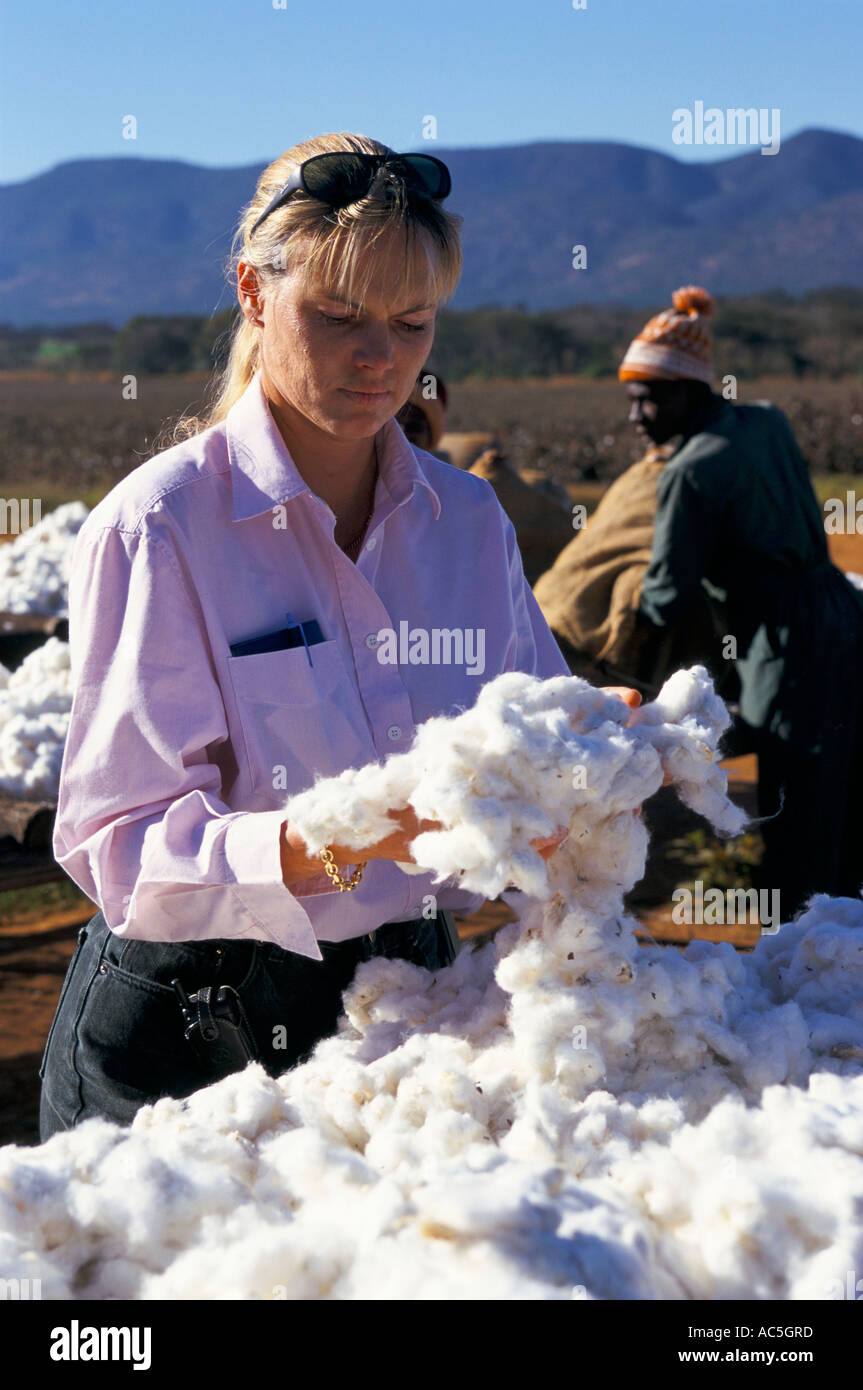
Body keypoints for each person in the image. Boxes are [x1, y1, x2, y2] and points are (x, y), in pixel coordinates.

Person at [39, 133, 641, 1140]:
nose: (381, 358)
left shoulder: (466, 522)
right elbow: (119, 848)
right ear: (252, 290)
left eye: (412, 323)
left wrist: (586, 753)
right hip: (195, 1026)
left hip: (403, 996)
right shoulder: (163, 529)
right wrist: (326, 842)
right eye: (338, 317)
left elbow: (528, 727)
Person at [621, 285, 863, 920]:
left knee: (797, 820)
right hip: (844, 613)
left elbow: (668, 596)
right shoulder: (769, 421)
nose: (636, 417)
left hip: (784, 650)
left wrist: (629, 620)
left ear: (686, 391)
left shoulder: (690, 471)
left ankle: (796, 965)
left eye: (646, 399)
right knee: (845, 800)